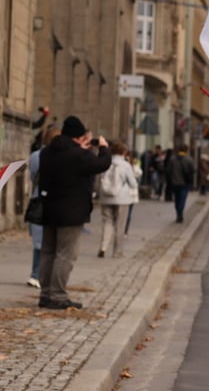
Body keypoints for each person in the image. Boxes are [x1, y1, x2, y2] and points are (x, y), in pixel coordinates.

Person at [36, 115, 112, 309]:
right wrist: (103, 147)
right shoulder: (78, 155)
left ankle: (45, 294)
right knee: (65, 255)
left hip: (48, 209)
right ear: (78, 137)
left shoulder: (47, 152)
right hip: (70, 212)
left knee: (48, 252)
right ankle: (58, 296)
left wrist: (81, 150)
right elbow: (102, 164)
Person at [26, 126, 60, 289]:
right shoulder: (60, 156)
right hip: (55, 199)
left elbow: (33, 176)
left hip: (38, 197)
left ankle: (35, 274)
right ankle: (43, 275)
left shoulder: (35, 156)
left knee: (39, 241)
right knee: (51, 241)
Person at [96, 141, 139, 258]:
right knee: (120, 225)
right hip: (122, 198)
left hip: (106, 197)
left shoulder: (106, 162)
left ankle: (103, 247)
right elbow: (133, 183)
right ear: (124, 152)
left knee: (107, 222)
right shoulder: (126, 165)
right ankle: (117, 252)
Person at [165, 144, 195, 223]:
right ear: (186, 150)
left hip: (174, 183)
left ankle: (178, 213)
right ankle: (180, 214)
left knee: (177, 199)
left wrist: (171, 179)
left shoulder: (172, 159)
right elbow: (193, 170)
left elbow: (168, 170)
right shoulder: (189, 159)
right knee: (182, 199)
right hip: (185, 183)